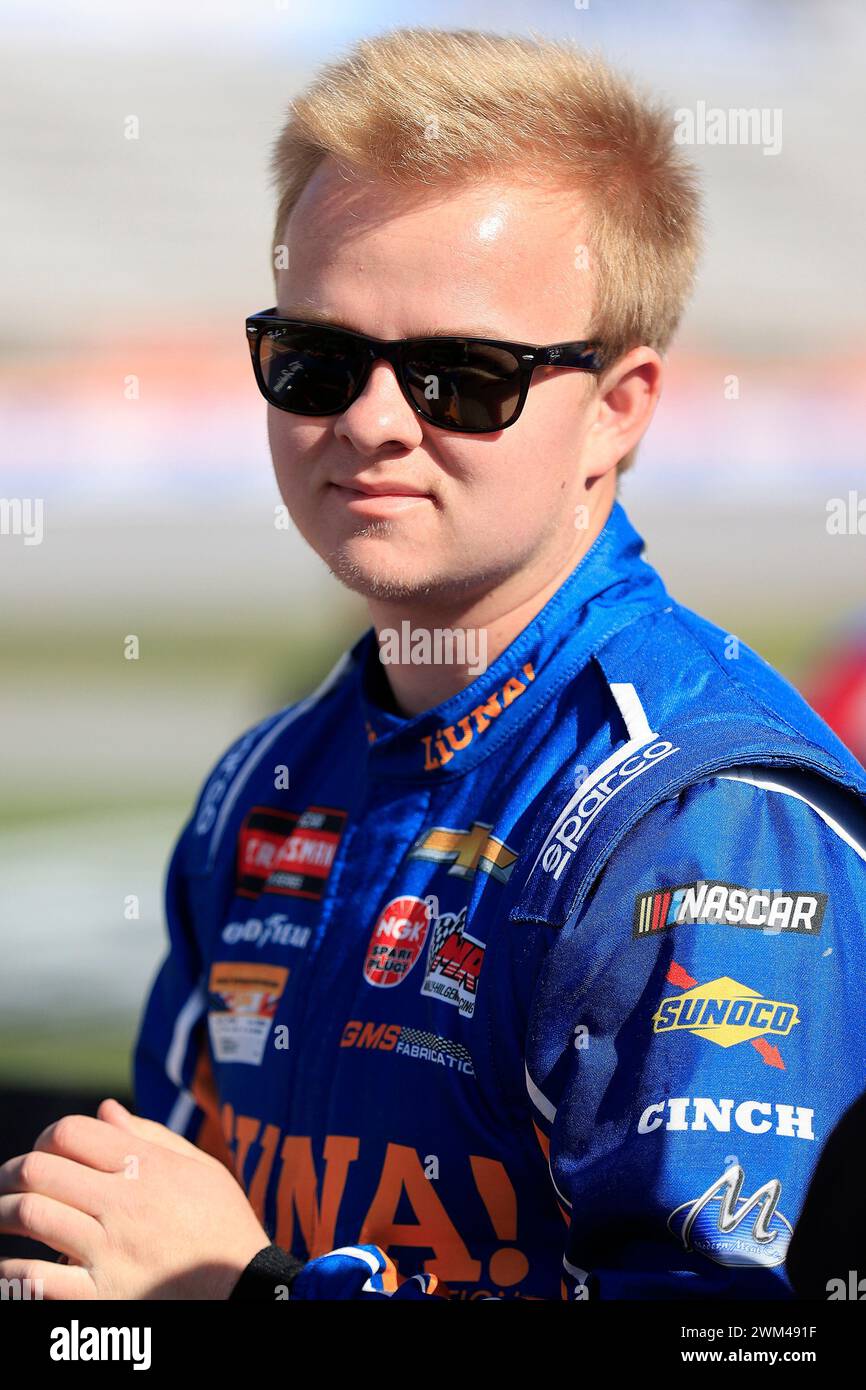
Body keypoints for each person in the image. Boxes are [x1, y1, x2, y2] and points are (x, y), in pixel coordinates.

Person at [2, 27, 866, 1302]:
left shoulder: (703, 820)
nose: (368, 421)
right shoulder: (268, 777)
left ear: (618, 407)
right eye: (316, 360)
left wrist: (251, 1293)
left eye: (461, 377)